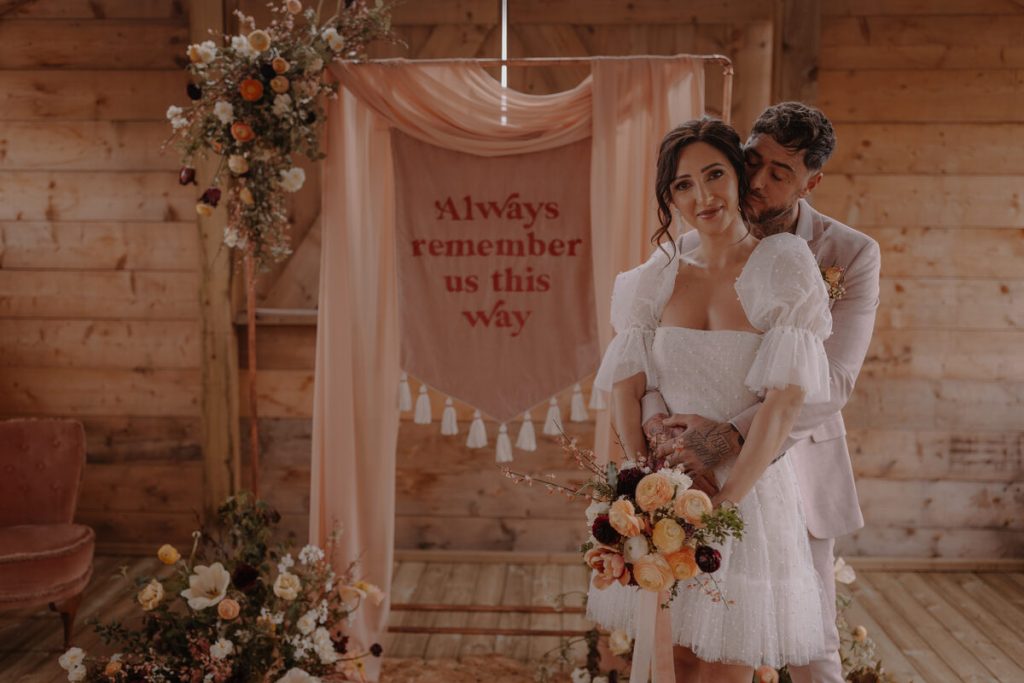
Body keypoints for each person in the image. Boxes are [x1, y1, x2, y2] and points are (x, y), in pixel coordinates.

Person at [587, 117, 832, 681]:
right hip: (665, 490)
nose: (702, 196)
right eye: (682, 185)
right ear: (669, 196)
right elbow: (629, 388)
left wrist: (723, 504)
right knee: (667, 656)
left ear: (737, 174)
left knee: (723, 665)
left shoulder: (784, 266)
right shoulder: (657, 276)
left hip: (743, 495)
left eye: (714, 174)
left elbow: (784, 403)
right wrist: (644, 481)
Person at [642, 102, 881, 683]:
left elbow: (833, 379)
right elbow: (650, 360)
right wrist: (663, 430)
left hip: (794, 462)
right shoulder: (690, 248)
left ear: (812, 182)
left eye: (783, 173)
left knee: (810, 646)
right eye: (754, 162)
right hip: (689, 467)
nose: (760, 181)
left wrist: (727, 437)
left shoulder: (847, 254)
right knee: (692, 634)